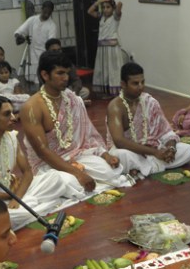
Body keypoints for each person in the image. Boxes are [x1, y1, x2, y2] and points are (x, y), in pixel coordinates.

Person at [20, 51, 132, 193]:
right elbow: (42, 152)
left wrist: (105, 155)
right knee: (65, 182)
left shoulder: (72, 100)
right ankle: (76, 180)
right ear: (45, 75)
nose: (66, 78)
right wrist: (78, 174)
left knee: (109, 171)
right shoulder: (31, 107)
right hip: (49, 164)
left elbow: (89, 136)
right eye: (60, 73)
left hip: (77, 155)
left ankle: (80, 180)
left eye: (67, 73)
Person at [0, 96, 82, 229]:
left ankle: (30, 204)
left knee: (57, 178)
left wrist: (16, 198)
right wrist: (12, 195)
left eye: (13, 112)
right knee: (10, 216)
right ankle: (36, 204)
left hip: (10, 192)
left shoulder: (10, 136)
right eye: (7, 114)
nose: (14, 118)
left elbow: (27, 173)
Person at [106, 62, 190, 179]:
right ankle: (153, 166)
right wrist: (155, 153)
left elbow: (166, 133)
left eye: (142, 82)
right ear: (123, 84)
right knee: (121, 156)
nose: (140, 86)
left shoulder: (149, 102)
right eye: (135, 83)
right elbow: (119, 141)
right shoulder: (115, 106)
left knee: (188, 150)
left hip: (154, 150)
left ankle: (141, 170)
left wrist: (171, 149)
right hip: (132, 152)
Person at [88, 0, 128, 97]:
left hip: (112, 49)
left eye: (108, 7)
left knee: (113, 70)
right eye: (104, 7)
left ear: (112, 8)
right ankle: (105, 92)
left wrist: (113, 4)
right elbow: (89, 11)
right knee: (103, 70)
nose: (105, 9)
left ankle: (116, 92)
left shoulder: (115, 17)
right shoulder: (101, 17)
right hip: (102, 48)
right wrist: (99, 1)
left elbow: (120, 4)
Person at [14, 1, 57, 88]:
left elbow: (51, 43)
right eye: (45, 11)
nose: (46, 14)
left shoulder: (52, 25)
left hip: (43, 56)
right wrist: (19, 37)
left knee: (41, 80)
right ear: (41, 9)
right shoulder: (32, 20)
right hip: (31, 54)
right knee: (29, 79)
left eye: (49, 12)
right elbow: (18, 31)